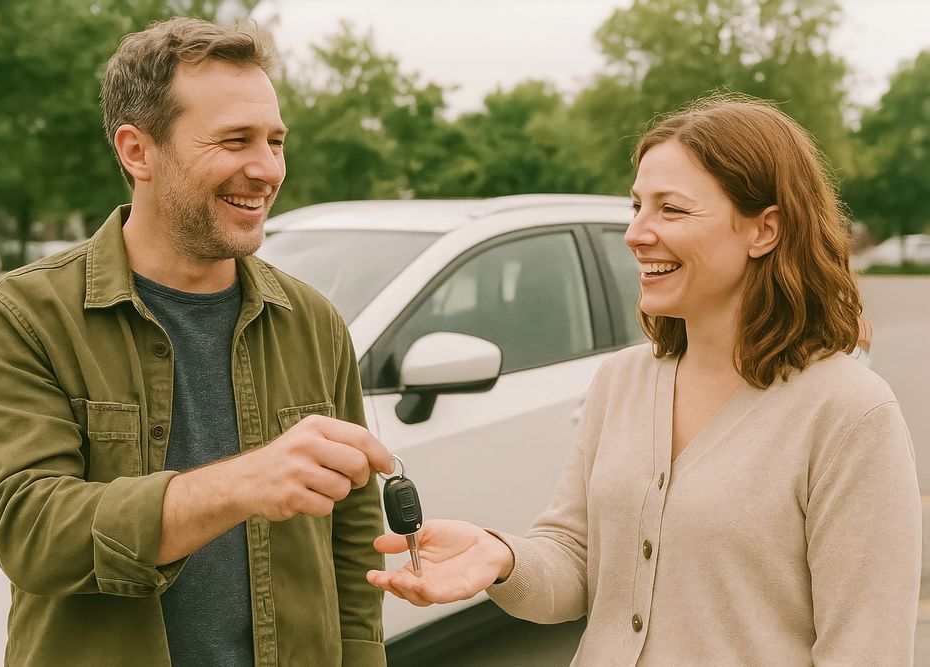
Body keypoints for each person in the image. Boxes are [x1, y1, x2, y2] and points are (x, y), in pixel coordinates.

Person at [367, 94, 922, 664]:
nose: (635, 233)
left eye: (671, 209)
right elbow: (577, 564)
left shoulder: (849, 412)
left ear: (765, 230)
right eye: (636, 206)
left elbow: (866, 649)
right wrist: (501, 557)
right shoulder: (621, 381)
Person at [0, 17, 393, 666]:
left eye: (276, 141)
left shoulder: (313, 321)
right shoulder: (24, 316)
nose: (267, 168)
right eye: (235, 140)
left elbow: (354, 543)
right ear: (138, 151)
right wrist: (240, 483)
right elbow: (30, 529)